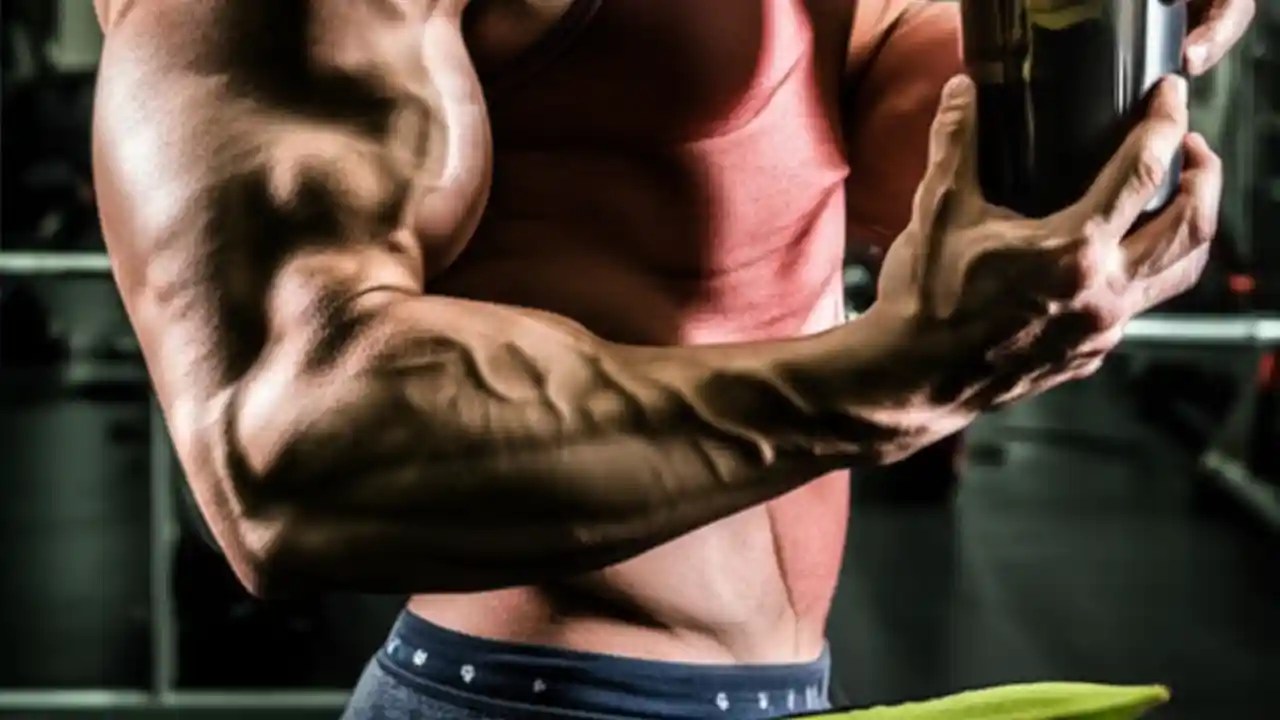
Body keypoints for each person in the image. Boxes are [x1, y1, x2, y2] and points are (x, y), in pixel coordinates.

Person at [89, 0, 1254, 718]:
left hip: (791, 684)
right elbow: (284, 437)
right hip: (530, 699)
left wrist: (1091, 42)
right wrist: (891, 384)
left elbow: (874, 129)